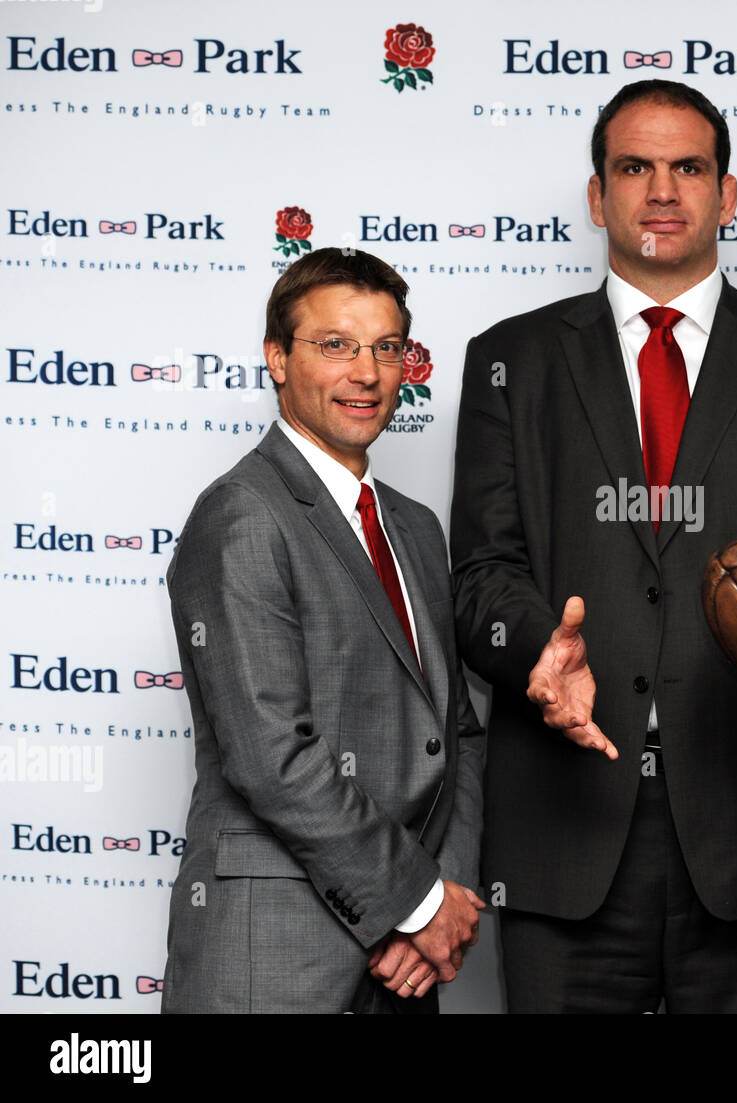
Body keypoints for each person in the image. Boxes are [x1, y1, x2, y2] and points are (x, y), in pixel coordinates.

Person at [450, 79, 737, 1012]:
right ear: (597, 196)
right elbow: (481, 576)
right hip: (564, 828)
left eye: (688, 167)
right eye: (634, 167)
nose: (662, 190)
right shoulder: (510, 361)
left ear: (726, 195)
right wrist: (540, 651)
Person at [161, 249, 484, 1013]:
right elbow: (272, 755)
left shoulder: (415, 526)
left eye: (386, 347)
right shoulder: (242, 513)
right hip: (277, 958)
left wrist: (447, 896)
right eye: (335, 344)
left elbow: (458, 731)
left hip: (404, 964)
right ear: (277, 357)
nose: (366, 372)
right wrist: (418, 902)